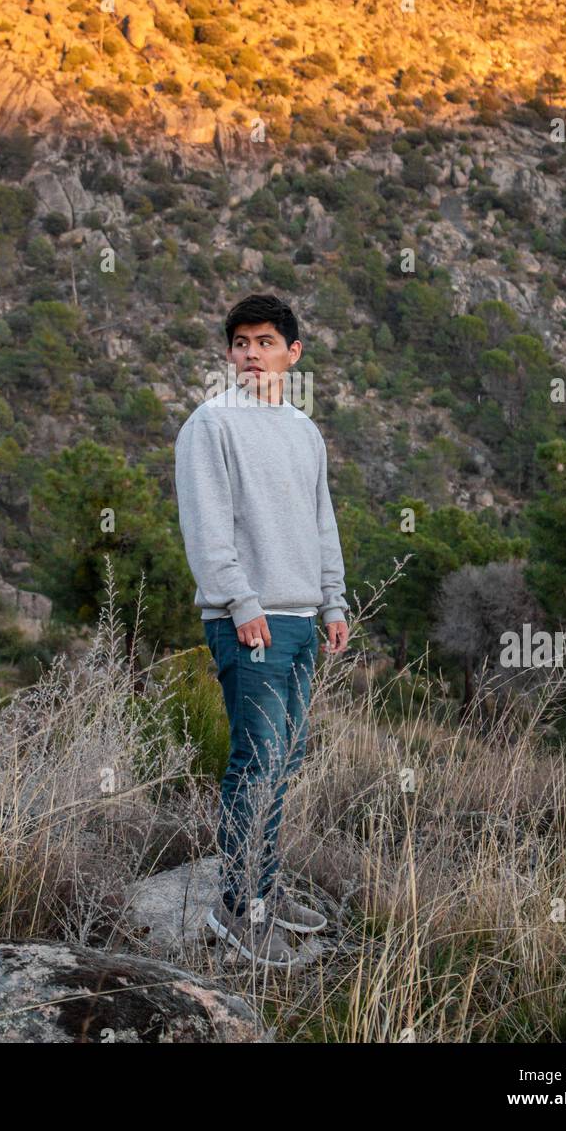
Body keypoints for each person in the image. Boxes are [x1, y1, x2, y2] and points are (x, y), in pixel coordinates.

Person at [174, 293, 349, 969]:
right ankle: (236, 909)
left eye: (265, 341)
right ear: (228, 353)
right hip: (249, 620)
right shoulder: (211, 424)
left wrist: (332, 603)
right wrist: (241, 602)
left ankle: (265, 894)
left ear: (293, 352)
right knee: (255, 764)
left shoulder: (304, 430)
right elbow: (207, 526)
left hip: (302, 621)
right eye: (241, 342)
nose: (251, 353)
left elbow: (321, 522)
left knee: (282, 763)